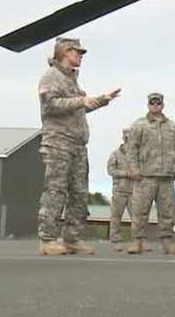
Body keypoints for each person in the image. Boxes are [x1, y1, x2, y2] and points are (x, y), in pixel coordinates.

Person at [35, 37, 121, 257]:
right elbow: (51, 105)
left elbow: (78, 108)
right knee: (56, 190)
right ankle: (48, 239)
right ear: (64, 52)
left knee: (79, 193)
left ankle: (72, 238)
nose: (80, 56)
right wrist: (80, 101)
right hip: (58, 143)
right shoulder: (51, 77)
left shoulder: (72, 80)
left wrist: (101, 100)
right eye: (77, 52)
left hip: (78, 144)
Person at [127, 92, 175, 255]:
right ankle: (137, 241)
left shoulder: (172, 127)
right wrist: (134, 169)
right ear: (148, 105)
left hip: (166, 177)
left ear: (162, 105)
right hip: (145, 176)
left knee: (167, 211)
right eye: (152, 103)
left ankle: (167, 242)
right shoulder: (139, 125)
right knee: (140, 210)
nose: (155, 106)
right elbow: (131, 149)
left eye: (158, 103)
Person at [107, 129, 135, 251]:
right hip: (119, 190)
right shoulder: (115, 154)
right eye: (127, 137)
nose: (129, 140)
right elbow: (110, 170)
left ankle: (138, 241)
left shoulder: (137, 154)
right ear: (123, 138)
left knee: (137, 217)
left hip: (134, 191)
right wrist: (126, 173)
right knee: (116, 216)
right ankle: (115, 241)